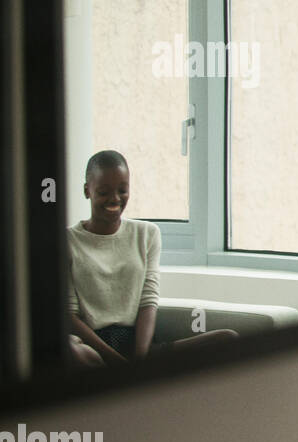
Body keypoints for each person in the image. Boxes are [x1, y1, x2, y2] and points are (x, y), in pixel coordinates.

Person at [67, 150, 236, 367]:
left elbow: (148, 301)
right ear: (87, 191)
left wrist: (140, 362)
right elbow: (69, 315)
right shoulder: (67, 240)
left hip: (142, 348)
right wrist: (116, 362)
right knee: (71, 348)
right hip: (95, 351)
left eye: (122, 190)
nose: (115, 199)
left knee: (228, 339)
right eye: (103, 192)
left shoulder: (147, 234)